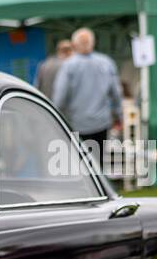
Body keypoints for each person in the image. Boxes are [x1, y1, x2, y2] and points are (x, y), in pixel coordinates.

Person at [52, 28, 122, 170]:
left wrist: (56, 117)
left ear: (74, 44)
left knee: (81, 165)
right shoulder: (106, 63)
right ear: (93, 43)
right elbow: (116, 93)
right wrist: (118, 115)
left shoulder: (68, 66)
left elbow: (59, 97)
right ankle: (102, 189)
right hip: (102, 122)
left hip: (77, 123)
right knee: (99, 163)